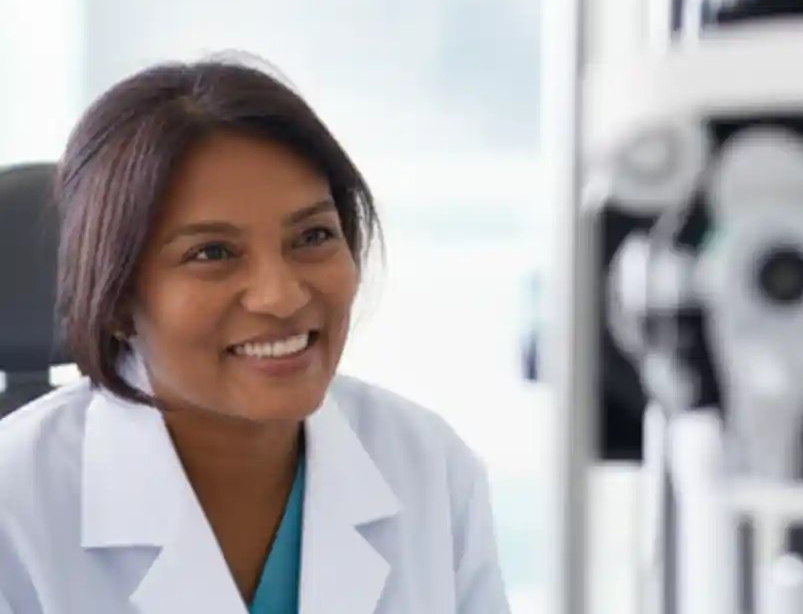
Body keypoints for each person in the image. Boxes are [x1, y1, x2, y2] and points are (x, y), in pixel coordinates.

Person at [0, 60, 511, 614]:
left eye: (313, 236)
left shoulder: (427, 464)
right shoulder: (16, 504)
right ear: (118, 299)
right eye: (212, 253)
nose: (282, 296)